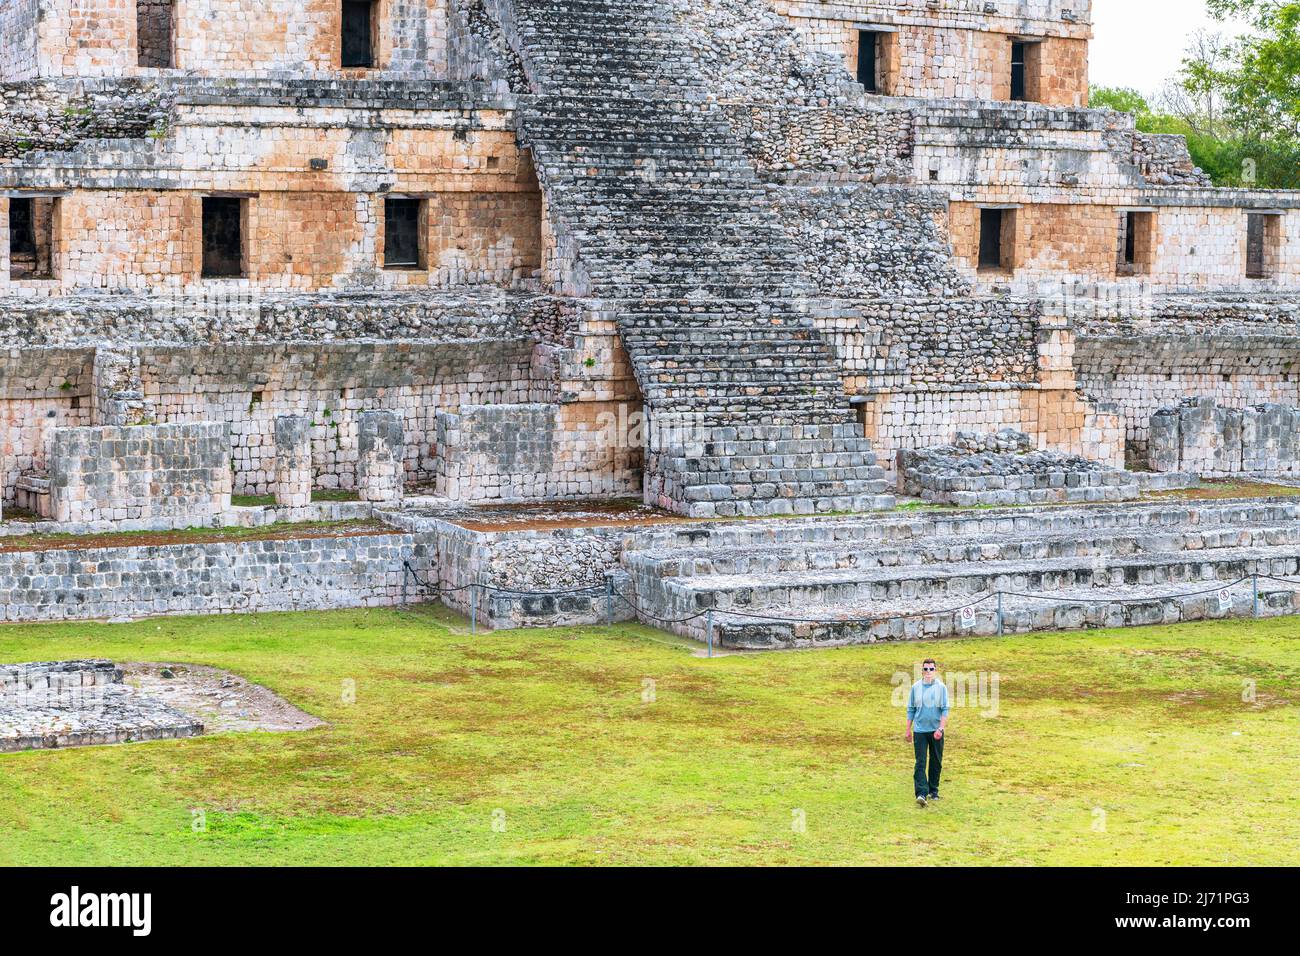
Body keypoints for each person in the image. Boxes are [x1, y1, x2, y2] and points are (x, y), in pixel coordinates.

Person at [905, 658, 949, 807]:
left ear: (935, 670)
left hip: (936, 731)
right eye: (926, 669)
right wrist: (908, 730)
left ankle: (933, 790)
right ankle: (921, 793)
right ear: (922, 670)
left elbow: (945, 709)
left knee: (936, 761)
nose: (928, 672)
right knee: (920, 762)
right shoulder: (916, 687)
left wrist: (941, 728)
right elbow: (911, 709)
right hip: (920, 731)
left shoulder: (941, 687)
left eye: (931, 669)